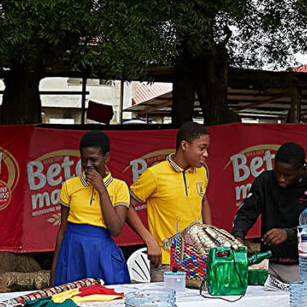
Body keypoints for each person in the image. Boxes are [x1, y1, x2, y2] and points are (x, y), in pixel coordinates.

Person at [230, 141, 307, 284]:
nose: (281, 179)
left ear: (301, 170)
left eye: (288, 175)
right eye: (278, 172)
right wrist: (237, 236)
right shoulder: (265, 181)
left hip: (303, 267)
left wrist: (288, 234)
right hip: (269, 265)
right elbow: (246, 212)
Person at [127, 121, 212, 282]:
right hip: (166, 262)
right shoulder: (154, 174)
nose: (206, 154)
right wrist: (149, 240)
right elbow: (126, 205)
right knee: (167, 306)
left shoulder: (202, 172)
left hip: (198, 260)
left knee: (199, 306)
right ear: (184, 145)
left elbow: (203, 200)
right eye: (201, 148)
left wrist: (209, 237)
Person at [50, 130, 131, 285]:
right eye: (84, 160)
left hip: (102, 255)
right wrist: (55, 270)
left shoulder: (119, 187)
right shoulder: (69, 185)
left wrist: (101, 189)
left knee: (103, 303)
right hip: (73, 253)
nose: (88, 165)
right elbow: (63, 229)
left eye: (94, 160)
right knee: (70, 302)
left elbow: (115, 229)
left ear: (106, 157)